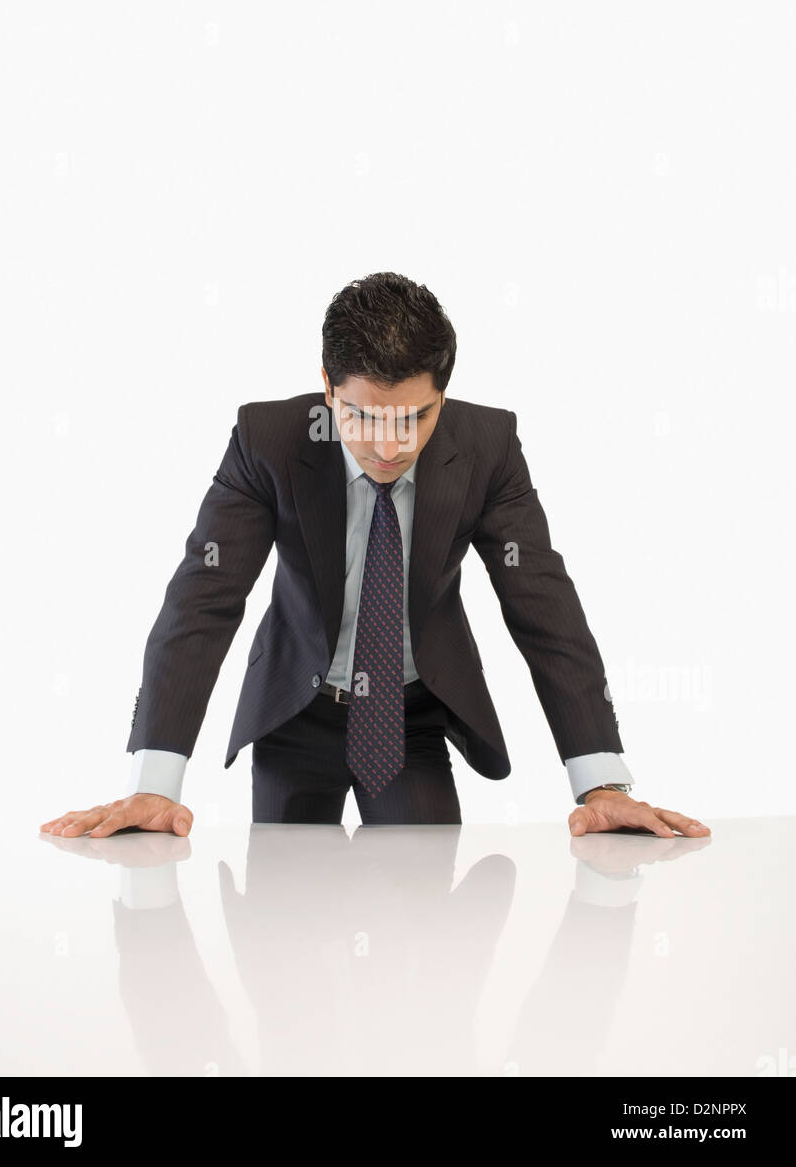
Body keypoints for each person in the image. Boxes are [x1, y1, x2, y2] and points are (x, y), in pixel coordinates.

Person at [41, 272, 711, 840]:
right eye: (361, 417)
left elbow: (542, 603)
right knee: (283, 932)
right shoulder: (267, 440)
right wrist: (155, 779)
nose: (388, 447)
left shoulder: (487, 445)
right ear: (327, 387)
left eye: (414, 418)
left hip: (408, 718)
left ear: (442, 397)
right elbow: (202, 600)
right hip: (295, 714)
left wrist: (599, 784)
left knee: (422, 933)